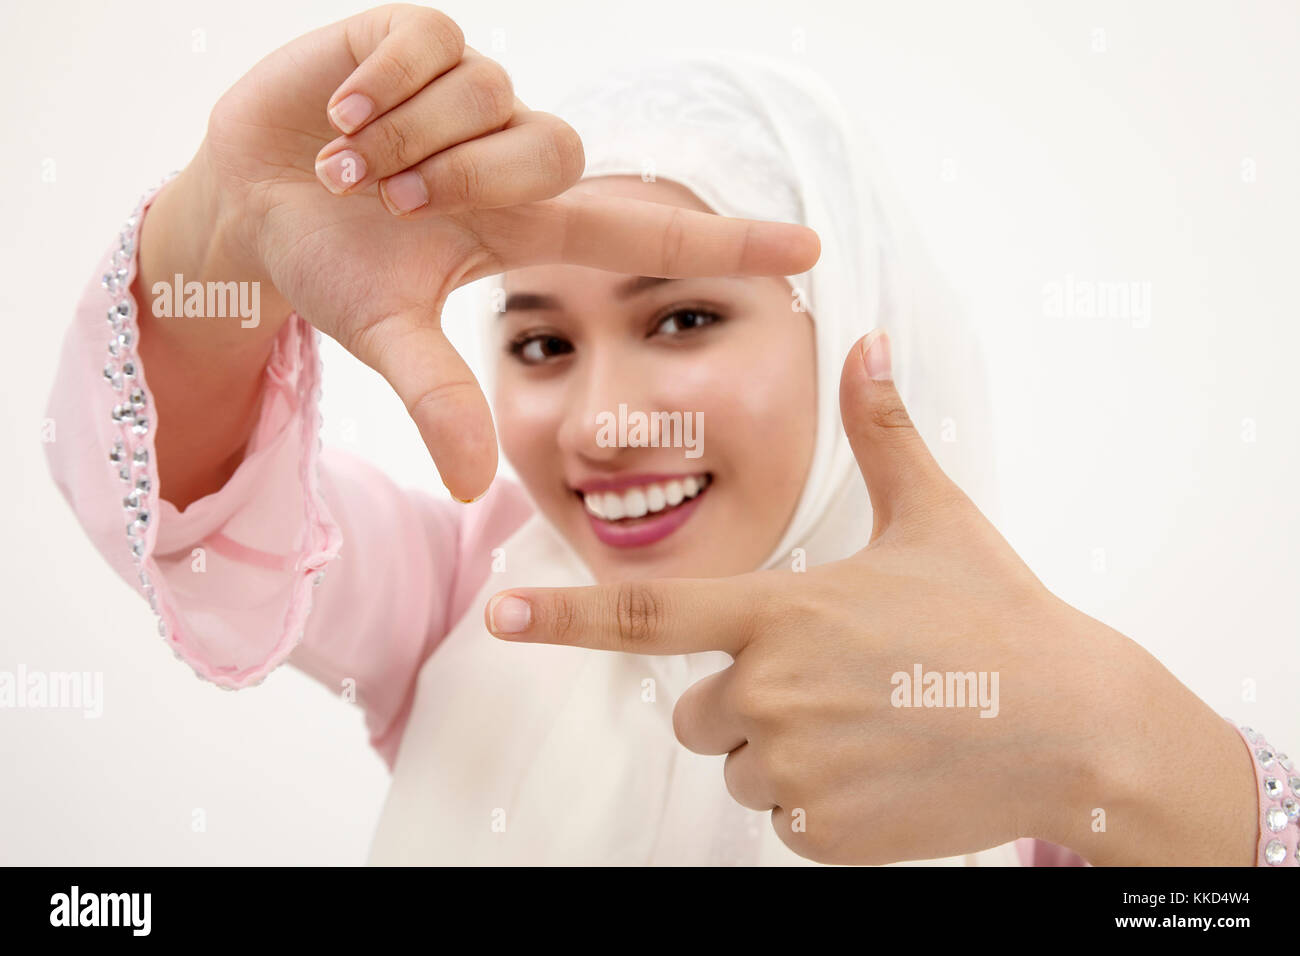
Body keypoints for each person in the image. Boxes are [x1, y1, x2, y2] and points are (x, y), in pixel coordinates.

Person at [44, 5, 1294, 866]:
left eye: (684, 318)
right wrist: (222, 229)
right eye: (540, 343)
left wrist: (1104, 737)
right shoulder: (464, 602)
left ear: (853, 314)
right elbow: (189, 505)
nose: (601, 422)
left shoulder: (1014, 727)